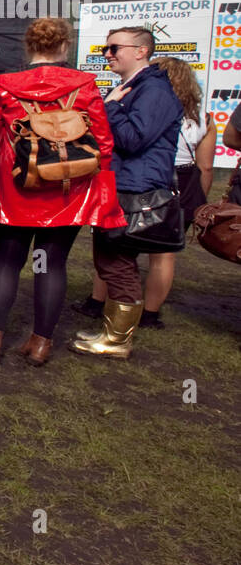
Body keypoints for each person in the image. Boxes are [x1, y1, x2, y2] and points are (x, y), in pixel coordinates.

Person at [0, 18, 122, 367]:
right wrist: (103, 185)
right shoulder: (85, 85)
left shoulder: (5, 85)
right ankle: (40, 343)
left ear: (28, 46)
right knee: (51, 263)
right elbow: (104, 141)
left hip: (18, 186)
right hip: (68, 186)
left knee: (6, 261)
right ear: (65, 46)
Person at [73, 27, 182, 359]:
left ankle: (118, 340)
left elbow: (134, 139)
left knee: (116, 261)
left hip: (137, 189)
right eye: (105, 47)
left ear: (141, 51)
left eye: (113, 47)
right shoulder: (135, 88)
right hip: (123, 185)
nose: (107, 53)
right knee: (113, 260)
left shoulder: (154, 91)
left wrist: (109, 108)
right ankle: (113, 333)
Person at [81, 57, 215, 329]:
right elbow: (207, 166)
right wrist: (196, 202)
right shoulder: (203, 118)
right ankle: (150, 313)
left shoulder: (141, 107)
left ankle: (98, 302)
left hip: (143, 179)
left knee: (115, 245)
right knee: (163, 255)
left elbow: (129, 139)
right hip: (182, 183)